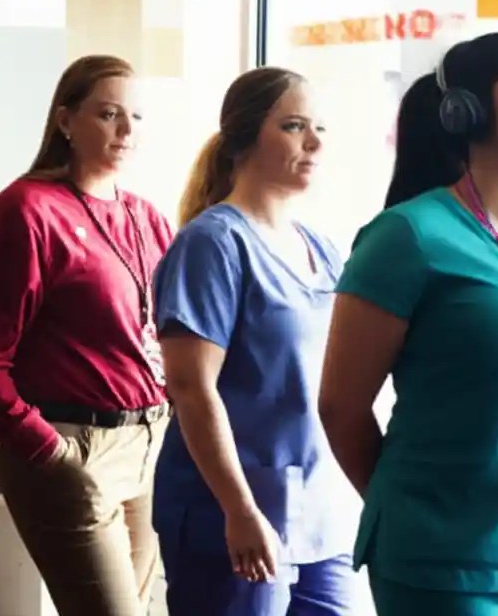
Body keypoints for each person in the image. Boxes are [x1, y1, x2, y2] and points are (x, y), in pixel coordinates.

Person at [317, 32, 498, 616]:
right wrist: (411, 512)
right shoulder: (409, 236)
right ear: (465, 111)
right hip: (443, 557)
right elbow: (341, 407)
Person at [0, 54, 173, 616]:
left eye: (137, 118)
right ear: (66, 121)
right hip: (71, 442)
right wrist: (45, 448)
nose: (125, 131)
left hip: (148, 444)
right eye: (108, 114)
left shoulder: (147, 218)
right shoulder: (24, 212)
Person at [151, 67, 361, 615]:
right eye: (294, 126)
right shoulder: (213, 244)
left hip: (320, 513)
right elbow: (192, 389)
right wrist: (238, 509)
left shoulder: (319, 247)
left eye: (318, 127)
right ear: (244, 137)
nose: (314, 142)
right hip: (234, 510)